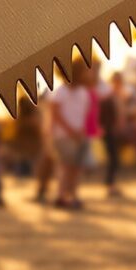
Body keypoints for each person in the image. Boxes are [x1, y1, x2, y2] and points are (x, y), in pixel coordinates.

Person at [47, 64, 95, 209]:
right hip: (62, 135)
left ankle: (72, 195)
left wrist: (81, 131)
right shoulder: (60, 91)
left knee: (76, 167)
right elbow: (55, 114)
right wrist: (70, 131)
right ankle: (62, 195)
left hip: (79, 135)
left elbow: (85, 113)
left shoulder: (83, 92)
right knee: (66, 166)